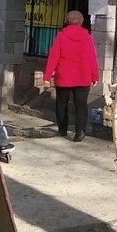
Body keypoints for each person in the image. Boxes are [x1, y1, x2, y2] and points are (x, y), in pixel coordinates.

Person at [43, 10, 99, 142]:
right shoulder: (87, 37)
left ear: (67, 21)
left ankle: (62, 129)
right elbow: (92, 57)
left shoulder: (61, 36)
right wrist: (94, 76)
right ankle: (80, 132)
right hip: (83, 76)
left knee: (61, 103)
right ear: (81, 22)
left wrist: (47, 76)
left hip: (64, 76)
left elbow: (53, 57)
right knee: (81, 105)